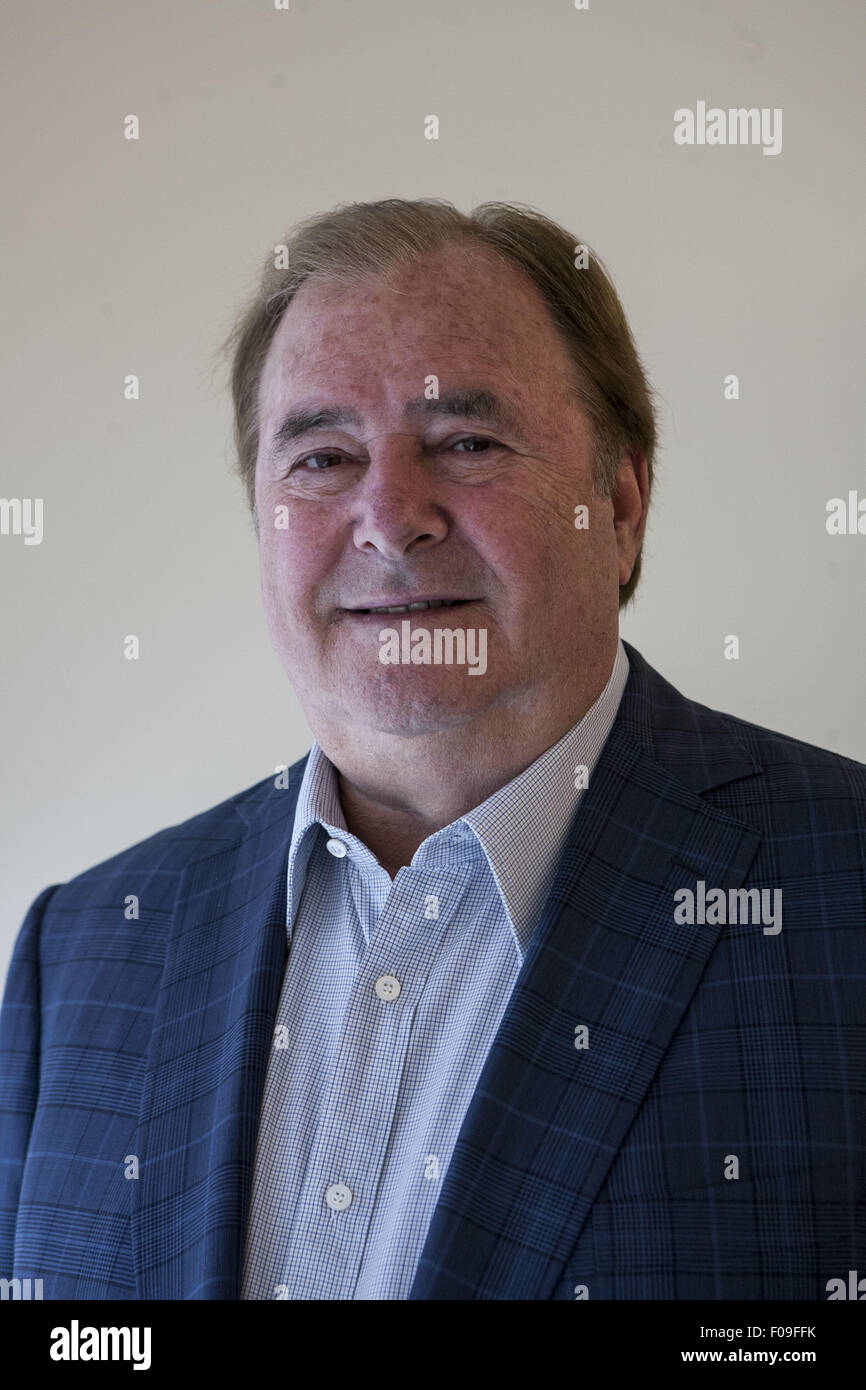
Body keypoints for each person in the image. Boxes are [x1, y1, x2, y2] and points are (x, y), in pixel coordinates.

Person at [1, 199, 863, 1300]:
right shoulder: (78, 955)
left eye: (465, 442)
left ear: (622, 506)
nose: (389, 516)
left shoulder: (841, 888)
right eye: (319, 456)